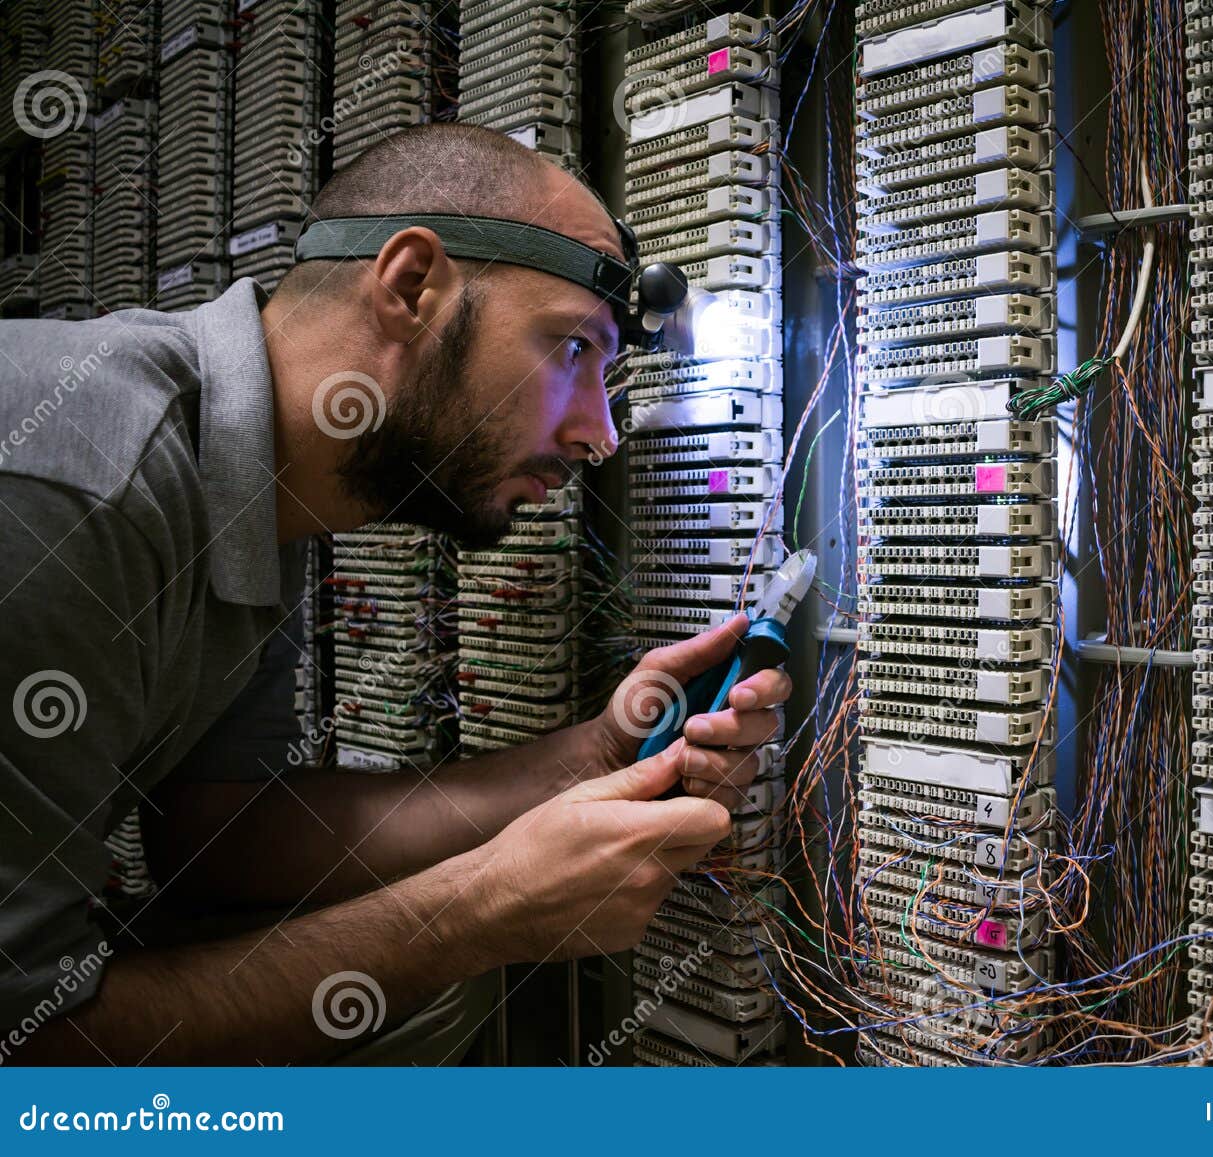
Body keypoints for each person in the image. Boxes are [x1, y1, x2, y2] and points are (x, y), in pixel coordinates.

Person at [0, 124, 790, 1063]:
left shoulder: (261, 492)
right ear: (411, 285)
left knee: (416, 997)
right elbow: (26, 1044)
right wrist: (482, 908)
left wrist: (594, 754)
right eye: (576, 350)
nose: (600, 435)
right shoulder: (78, 487)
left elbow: (217, 842)